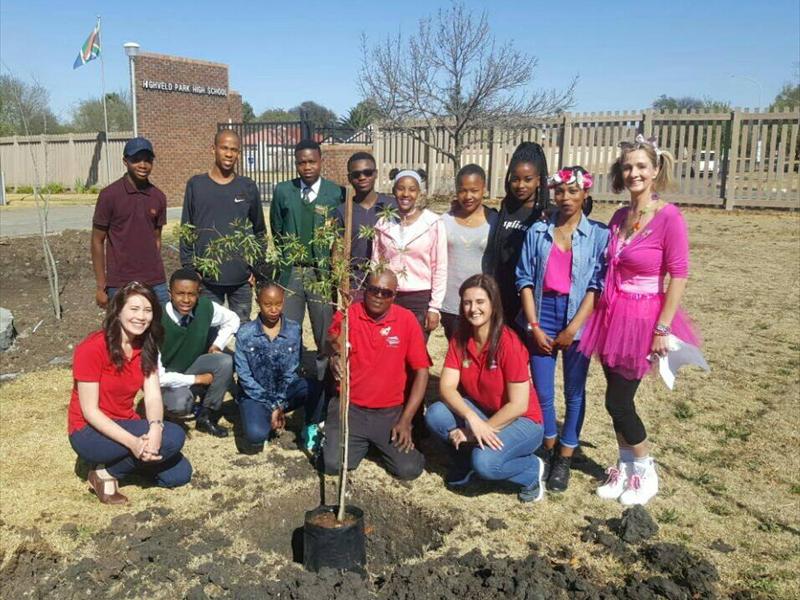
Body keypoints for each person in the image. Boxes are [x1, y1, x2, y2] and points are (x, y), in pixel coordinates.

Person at [578, 135, 700, 506]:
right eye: (628, 166)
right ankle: (625, 468)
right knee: (612, 399)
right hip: (613, 316)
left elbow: (678, 274)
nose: (634, 173)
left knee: (619, 401)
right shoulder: (619, 216)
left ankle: (645, 469)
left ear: (656, 170)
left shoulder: (669, 217)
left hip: (645, 318)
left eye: (642, 166)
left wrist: (662, 328)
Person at [516, 166, 609, 493]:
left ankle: (566, 456)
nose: (566, 198)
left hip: (577, 319)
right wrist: (534, 325)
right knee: (542, 391)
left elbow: (596, 286)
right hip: (543, 315)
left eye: (573, 191)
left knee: (574, 392)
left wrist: (574, 328)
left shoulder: (599, 235)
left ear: (585, 194)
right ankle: (550, 445)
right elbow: (524, 279)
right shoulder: (538, 231)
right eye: (560, 191)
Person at [68, 282, 192, 504]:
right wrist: (134, 443)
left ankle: (122, 463)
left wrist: (155, 428)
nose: (141, 317)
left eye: (147, 310)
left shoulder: (146, 347)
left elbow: (153, 396)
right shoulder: (92, 348)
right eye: (134, 309)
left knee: (180, 474)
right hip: (88, 431)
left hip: (126, 421)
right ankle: (105, 474)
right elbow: (90, 411)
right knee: (175, 437)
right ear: (118, 311)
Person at [425, 274, 546, 502]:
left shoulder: (508, 343)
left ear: (493, 304)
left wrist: (473, 431)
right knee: (436, 414)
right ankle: (464, 464)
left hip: (523, 420)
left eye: (480, 302)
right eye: (467, 302)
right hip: (483, 411)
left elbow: (519, 405)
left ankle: (531, 470)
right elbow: (447, 387)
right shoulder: (461, 337)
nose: (473, 309)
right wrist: (471, 417)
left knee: (486, 463)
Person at [321, 269, 430, 480]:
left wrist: (406, 420)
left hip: (390, 413)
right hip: (350, 409)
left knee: (409, 470)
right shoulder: (348, 314)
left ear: (394, 296)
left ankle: (375, 442)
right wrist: (334, 354)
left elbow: (422, 372)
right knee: (333, 464)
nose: (379, 296)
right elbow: (329, 342)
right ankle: (359, 441)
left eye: (386, 293)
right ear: (365, 290)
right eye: (374, 290)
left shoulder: (406, 320)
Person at [270, 140, 345, 380]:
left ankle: (324, 381)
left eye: (312, 161)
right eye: (301, 162)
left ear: (320, 161)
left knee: (324, 330)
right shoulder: (283, 191)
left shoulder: (335, 193)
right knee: (289, 329)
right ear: (296, 164)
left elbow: (341, 232)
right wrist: (286, 258)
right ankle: (293, 378)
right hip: (292, 272)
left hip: (320, 273)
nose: (307, 167)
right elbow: (277, 227)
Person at [180, 129, 265, 322]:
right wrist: (190, 269)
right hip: (207, 280)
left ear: (239, 153)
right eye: (224, 148)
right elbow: (187, 230)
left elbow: (259, 230)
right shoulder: (196, 185)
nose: (229, 154)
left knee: (242, 331)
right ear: (213, 149)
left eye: (234, 150)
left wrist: (257, 269)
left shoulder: (247, 187)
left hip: (241, 280)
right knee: (209, 333)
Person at [235, 281, 324, 452]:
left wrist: (280, 405)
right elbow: (244, 376)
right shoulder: (245, 333)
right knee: (256, 436)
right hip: (255, 395)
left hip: (284, 393)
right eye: (267, 304)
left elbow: (292, 371)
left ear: (283, 301)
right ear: (258, 302)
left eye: (278, 304)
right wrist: (272, 405)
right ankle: (260, 416)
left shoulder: (293, 329)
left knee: (313, 387)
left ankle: (310, 425)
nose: (274, 309)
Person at [158, 268, 239, 438]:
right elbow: (158, 377)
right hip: (166, 379)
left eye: (191, 294)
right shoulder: (158, 320)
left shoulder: (205, 307)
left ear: (199, 293)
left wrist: (218, 344)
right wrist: (198, 379)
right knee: (180, 403)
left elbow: (233, 319)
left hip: (191, 365)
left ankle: (206, 416)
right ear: (169, 293)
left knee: (225, 361)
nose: (186, 299)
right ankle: (166, 415)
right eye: (180, 293)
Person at [91, 137, 169, 308]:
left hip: (154, 281)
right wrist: (100, 285)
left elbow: (156, 238)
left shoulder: (158, 197)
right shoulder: (109, 196)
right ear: (125, 161)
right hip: (120, 282)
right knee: (122, 331)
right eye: (136, 160)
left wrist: (150, 266)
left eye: (147, 160)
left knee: (161, 328)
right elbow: (97, 241)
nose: (143, 165)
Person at [372, 168, 446, 338]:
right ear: (393, 191)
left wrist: (434, 307)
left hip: (419, 298)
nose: (406, 194)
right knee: (389, 348)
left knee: (415, 352)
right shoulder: (383, 223)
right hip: (388, 296)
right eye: (401, 188)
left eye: (412, 189)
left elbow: (439, 267)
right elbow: (376, 262)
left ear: (419, 192)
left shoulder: (432, 223)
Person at [484, 142, 550, 326]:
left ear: (539, 180)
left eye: (528, 179)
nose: (520, 185)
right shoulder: (507, 208)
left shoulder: (546, 214)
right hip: (502, 297)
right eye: (515, 179)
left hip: (529, 300)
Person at [440, 164, 498, 340]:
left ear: (484, 189)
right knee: (457, 356)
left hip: (483, 302)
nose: (468, 196)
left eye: (474, 190)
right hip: (451, 303)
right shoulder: (444, 221)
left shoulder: (495, 221)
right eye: (463, 191)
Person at [335, 151, 397, 296]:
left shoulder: (391, 206)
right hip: (356, 283)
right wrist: (343, 283)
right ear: (350, 178)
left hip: (387, 283)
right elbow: (338, 252)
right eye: (356, 174)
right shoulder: (343, 211)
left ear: (375, 174)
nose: (362, 177)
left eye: (367, 172)